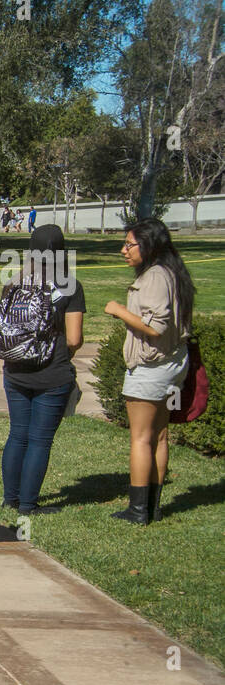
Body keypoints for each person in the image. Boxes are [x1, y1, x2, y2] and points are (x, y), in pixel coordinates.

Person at [105, 218, 195, 525]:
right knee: (160, 436)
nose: (124, 250)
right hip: (172, 366)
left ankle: (138, 510)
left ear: (149, 245)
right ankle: (153, 507)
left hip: (151, 369)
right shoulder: (172, 272)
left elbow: (155, 328)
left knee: (141, 438)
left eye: (130, 244)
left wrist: (119, 310)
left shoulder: (155, 276)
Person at [0, 224, 85, 516]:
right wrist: (59, 354)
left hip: (15, 369)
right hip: (52, 374)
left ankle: (10, 499)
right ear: (61, 251)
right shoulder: (70, 285)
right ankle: (28, 505)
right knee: (39, 440)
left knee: (18, 434)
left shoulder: (14, 282)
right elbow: (74, 339)